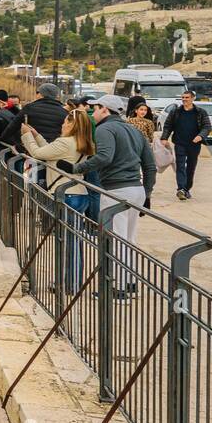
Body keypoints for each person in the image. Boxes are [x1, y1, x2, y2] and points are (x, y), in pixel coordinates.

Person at [70, 95, 156, 298]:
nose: (93, 113)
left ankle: (118, 289)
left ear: (105, 110)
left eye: (96, 109)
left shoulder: (104, 129)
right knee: (129, 238)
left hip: (116, 190)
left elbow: (104, 157)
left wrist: (77, 168)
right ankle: (131, 283)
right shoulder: (134, 130)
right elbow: (149, 165)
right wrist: (148, 193)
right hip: (136, 189)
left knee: (115, 239)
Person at [21, 109, 95, 288]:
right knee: (73, 241)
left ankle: (70, 284)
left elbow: (38, 154)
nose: (62, 125)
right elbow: (49, 150)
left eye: (65, 122)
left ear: (72, 124)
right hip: (79, 193)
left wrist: (27, 136)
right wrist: (37, 135)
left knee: (68, 242)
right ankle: (72, 280)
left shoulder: (65, 142)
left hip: (67, 195)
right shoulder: (82, 142)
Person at [161, 91, 211, 201]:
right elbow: (168, 126)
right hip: (179, 143)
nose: (184, 99)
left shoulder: (200, 112)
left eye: (187, 97)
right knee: (180, 166)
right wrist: (164, 137)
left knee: (191, 167)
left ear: (193, 98)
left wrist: (200, 136)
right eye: (183, 97)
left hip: (194, 144)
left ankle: (187, 189)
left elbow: (207, 127)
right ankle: (181, 189)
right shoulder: (175, 112)